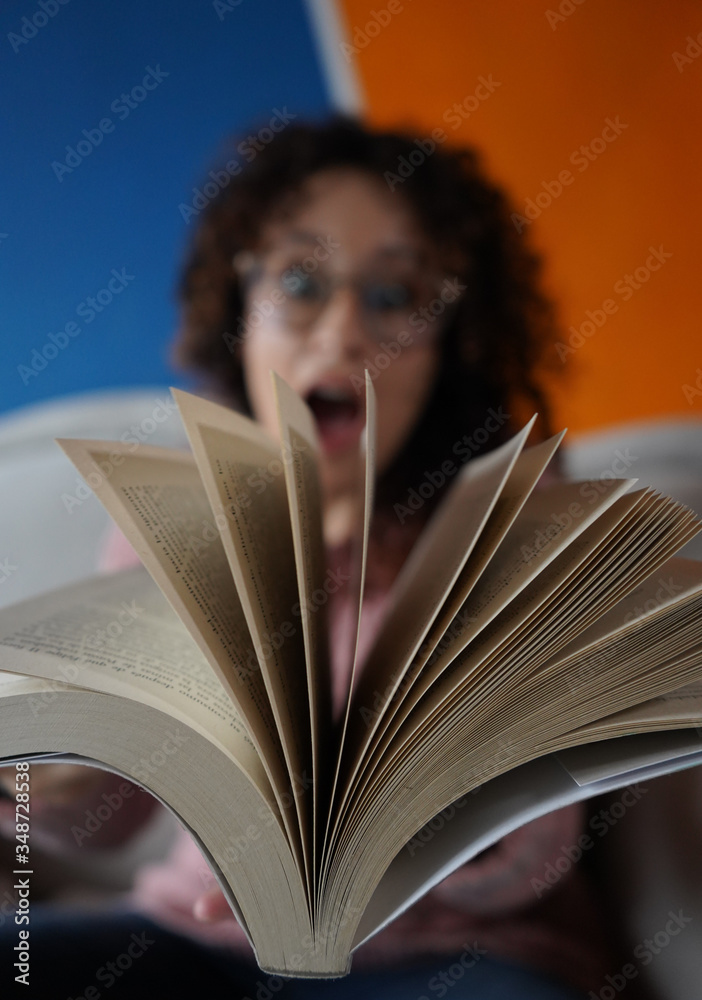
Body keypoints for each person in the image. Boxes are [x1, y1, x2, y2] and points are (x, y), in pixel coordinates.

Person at [0, 117, 611, 998]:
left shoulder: (520, 525)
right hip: (201, 946)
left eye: (396, 296)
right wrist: (44, 794)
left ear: (451, 343)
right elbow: (112, 816)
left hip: (454, 958)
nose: (341, 334)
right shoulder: (177, 524)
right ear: (237, 318)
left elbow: (534, 859)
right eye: (297, 281)